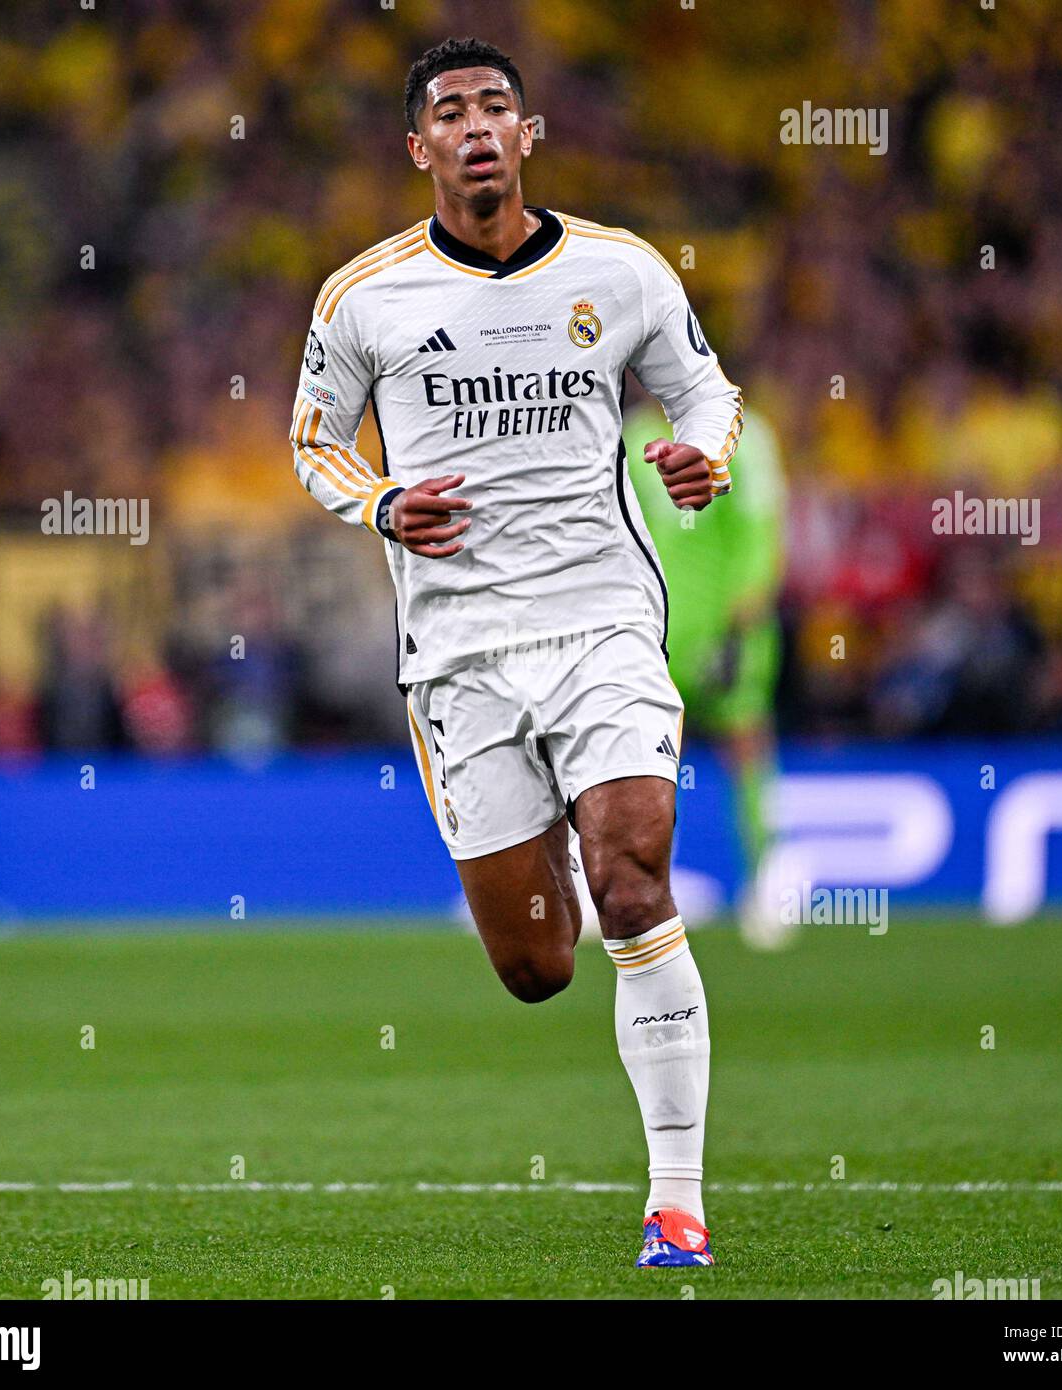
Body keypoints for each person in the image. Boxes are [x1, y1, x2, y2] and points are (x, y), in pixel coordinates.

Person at [288, 37, 743, 1267]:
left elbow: (703, 391)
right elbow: (312, 445)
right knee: (540, 963)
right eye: (452, 112)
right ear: (419, 147)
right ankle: (546, 830)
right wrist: (382, 503)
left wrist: (709, 453)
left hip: (602, 619)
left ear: (528, 135)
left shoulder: (623, 272)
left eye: (499, 106)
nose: (478, 126)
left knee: (637, 874)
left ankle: (678, 1198)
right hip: (461, 655)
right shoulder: (363, 298)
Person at [622, 400, 787, 947]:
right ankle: (633, 889)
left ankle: (768, 881)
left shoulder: (742, 434)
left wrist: (744, 614)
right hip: (657, 631)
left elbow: (759, 531)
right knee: (643, 761)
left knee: (744, 746)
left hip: (727, 630)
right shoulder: (633, 436)